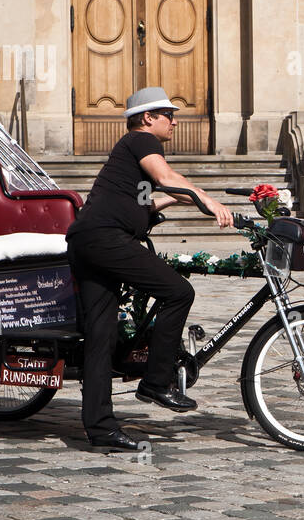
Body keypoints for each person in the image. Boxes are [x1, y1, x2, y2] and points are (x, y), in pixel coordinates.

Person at [65, 87, 233, 451]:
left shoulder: (130, 154)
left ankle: (101, 429)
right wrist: (208, 201)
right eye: (167, 115)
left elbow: (145, 200)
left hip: (90, 240)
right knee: (178, 292)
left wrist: (178, 197)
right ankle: (156, 383)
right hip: (105, 240)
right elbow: (167, 176)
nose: (174, 121)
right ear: (146, 118)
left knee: (101, 338)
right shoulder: (140, 141)